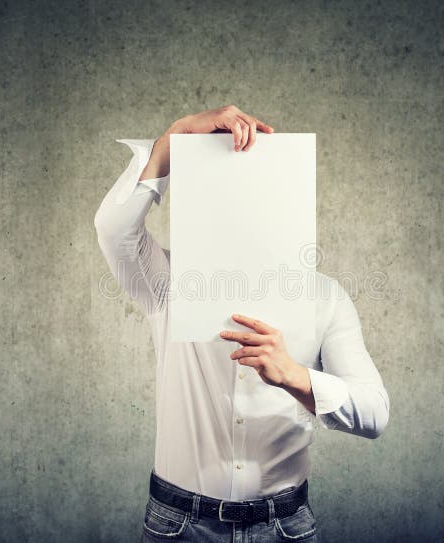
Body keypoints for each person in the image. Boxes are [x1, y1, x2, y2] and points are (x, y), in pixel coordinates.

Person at [94, 105, 390, 542]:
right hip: (179, 524)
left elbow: (375, 413)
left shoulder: (325, 299)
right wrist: (175, 138)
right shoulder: (168, 282)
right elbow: (113, 229)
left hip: (283, 526)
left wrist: (295, 377)